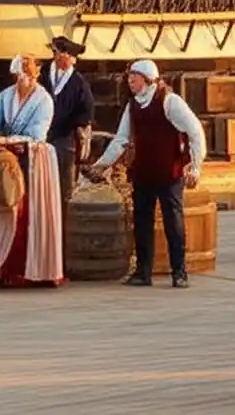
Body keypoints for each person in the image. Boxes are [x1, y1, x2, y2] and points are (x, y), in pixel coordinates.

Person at [88, 60, 206, 288]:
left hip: (169, 173)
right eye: (130, 75)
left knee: (174, 222)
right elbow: (121, 140)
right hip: (143, 172)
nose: (130, 80)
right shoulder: (132, 106)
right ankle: (143, 272)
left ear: (147, 78)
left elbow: (195, 132)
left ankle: (179, 272)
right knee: (142, 222)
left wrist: (196, 165)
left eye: (135, 75)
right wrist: (101, 165)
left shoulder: (170, 101)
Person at [0, 53, 63, 287]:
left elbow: (37, 135)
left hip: (34, 158)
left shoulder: (44, 100)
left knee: (27, 211)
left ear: (34, 76)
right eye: (19, 76)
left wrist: (5, 141)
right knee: (0, 207)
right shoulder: (5, 97)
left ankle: (29, 269)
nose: (23, 81)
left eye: (27, 76)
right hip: (7, 157)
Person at [39, 36, 95, 200]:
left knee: (63, 186)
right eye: (55, 53)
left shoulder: (78, 82)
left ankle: (62, 220)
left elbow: (86, 109)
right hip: (41, 134)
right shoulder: (43, 74)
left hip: (65, 137)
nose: (56, 56)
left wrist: (81, 129)